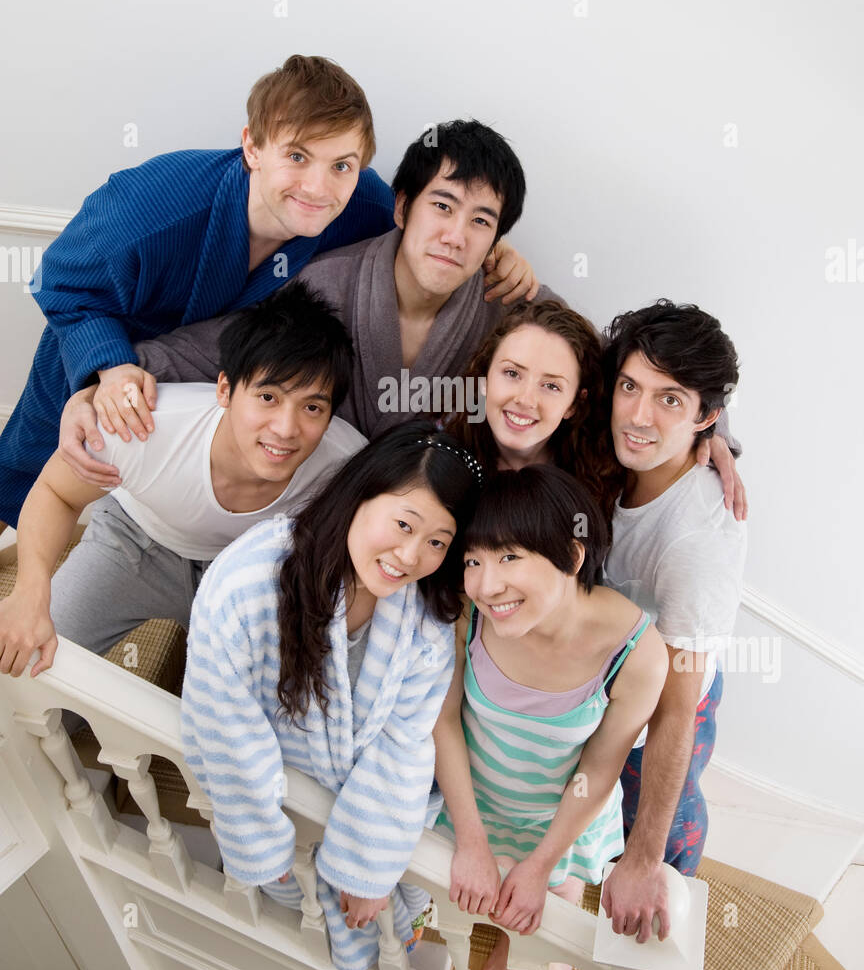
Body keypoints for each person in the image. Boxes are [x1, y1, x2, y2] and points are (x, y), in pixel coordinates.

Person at [0, 60, 528, 530]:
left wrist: (492, 254)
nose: (319, 187)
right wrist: (103, 373)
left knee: (167, 488)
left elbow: (430, 228)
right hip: (106, 336)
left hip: (225, 364)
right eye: (297, 156)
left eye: (342, 164)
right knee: (39, 463)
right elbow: (59, 279)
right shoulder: (152, 206)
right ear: (252, 146)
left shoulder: (361, 202)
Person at [180, 422, 484, 970]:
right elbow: (224, 727)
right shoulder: (249, 586)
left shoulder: (421, 621)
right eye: (403, 524)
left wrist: (365, 865)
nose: (411, 555)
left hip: (368, 816)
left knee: (388, 931)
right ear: (360, 494)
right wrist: (262, 844)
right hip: (282, 817)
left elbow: (405, 743)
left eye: (437, 542)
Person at [61, 119, 554, 448]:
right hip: (308, 497)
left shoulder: (507, 300)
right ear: (402, 208)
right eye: (442, 207)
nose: (454, 237)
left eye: (481, 222)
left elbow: (582, 356)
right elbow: (221, 345)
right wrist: (113, 374)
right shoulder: (327, 282)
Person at [0, 283, 364, 673]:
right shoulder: (146, 427)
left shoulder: (345, 466)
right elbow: (57, 490)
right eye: (268, 398)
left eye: (311, 407)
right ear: (225, 389)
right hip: (136, 540)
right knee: (30, 665)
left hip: (251, 573)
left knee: (274, 700)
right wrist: (31, 589)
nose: (286, 428)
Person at [433, 466, 667, 970]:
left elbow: (602, 767)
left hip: (563, 813)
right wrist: (471, 839)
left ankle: (534, 942)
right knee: (445, 896)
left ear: (573, 555)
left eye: (510, 557)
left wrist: (540, 864)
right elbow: (442, 722)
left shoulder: (636, 651)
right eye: (474, 560)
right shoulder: (468, 613)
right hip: (474, 796)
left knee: (551, 897)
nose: (487, 585)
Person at [600, 301, 748, 942]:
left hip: (671, 696)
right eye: (631, 386)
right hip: (607, 667)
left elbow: (677, 708)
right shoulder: (611, 450)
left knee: (662, 816)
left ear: (705, 415)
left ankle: (665, 904)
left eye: (670, 400)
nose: (637, 415)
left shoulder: (697, 542)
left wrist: (643, 858)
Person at [447, 298, 745, 521]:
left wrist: (708, 430)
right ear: (483, 379)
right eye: (512, 373)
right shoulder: (445, 458)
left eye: (552, 386)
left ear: (575, 403)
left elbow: (674, 373)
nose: (526, 399)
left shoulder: (601, 466)